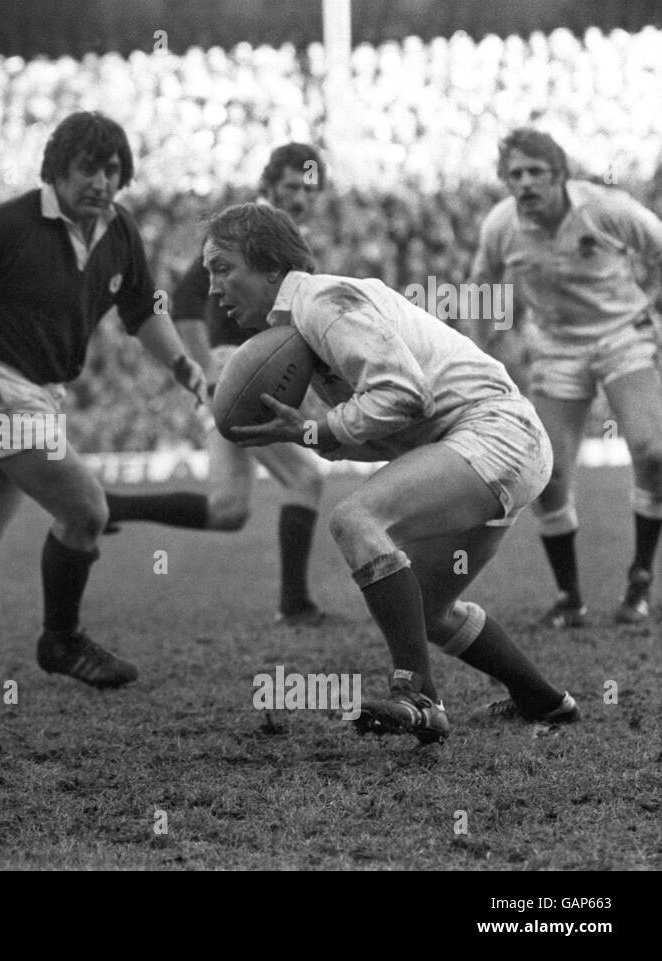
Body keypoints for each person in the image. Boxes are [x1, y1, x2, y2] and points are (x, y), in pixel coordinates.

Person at [212, 202, 577, 741]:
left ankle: (419, 695)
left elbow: (404, 394)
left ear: (270, 266)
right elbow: (392, 425)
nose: (215, 287)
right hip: (497, 444)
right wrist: (310, 432)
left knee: (355, 518)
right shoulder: (303, 329)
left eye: (222, 266)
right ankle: (544, 701)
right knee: (429, 612)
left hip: (495, 434)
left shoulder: (320, 302)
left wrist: (321, 428)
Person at [0, 111, 207, 689]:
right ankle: (61, 640)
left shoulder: (118, 231)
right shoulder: (7, 224)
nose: (101, 181)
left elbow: (143, 309)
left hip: (39, 393)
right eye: (88, 169)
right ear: (57, 170)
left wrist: (182, 364)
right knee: (86, 511)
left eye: (112, 169)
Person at [103, 144, 329, 625]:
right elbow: (184, 299)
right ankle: (295, 605)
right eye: (292, 186)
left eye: (310, 189)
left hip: (242, 372)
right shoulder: (249, 233)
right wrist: (207, 369)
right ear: (269, 185)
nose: (302, 197)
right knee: (305, 479)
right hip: (239, 371)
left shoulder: (278, 235)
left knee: (228, 509)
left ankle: (106, 506)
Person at [469, 128, 662, 626]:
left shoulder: (607, 209)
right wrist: (489, 343)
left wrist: (653, 306)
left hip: (623, 337)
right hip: (555, 349)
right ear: (505, 180)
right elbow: (482, 281)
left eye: (536, 172)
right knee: (548, 476)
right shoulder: (501, 226)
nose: (526, 183)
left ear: (560, 176)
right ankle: (569, 598)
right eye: (516, 174)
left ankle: (640, 578)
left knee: (653, 453)